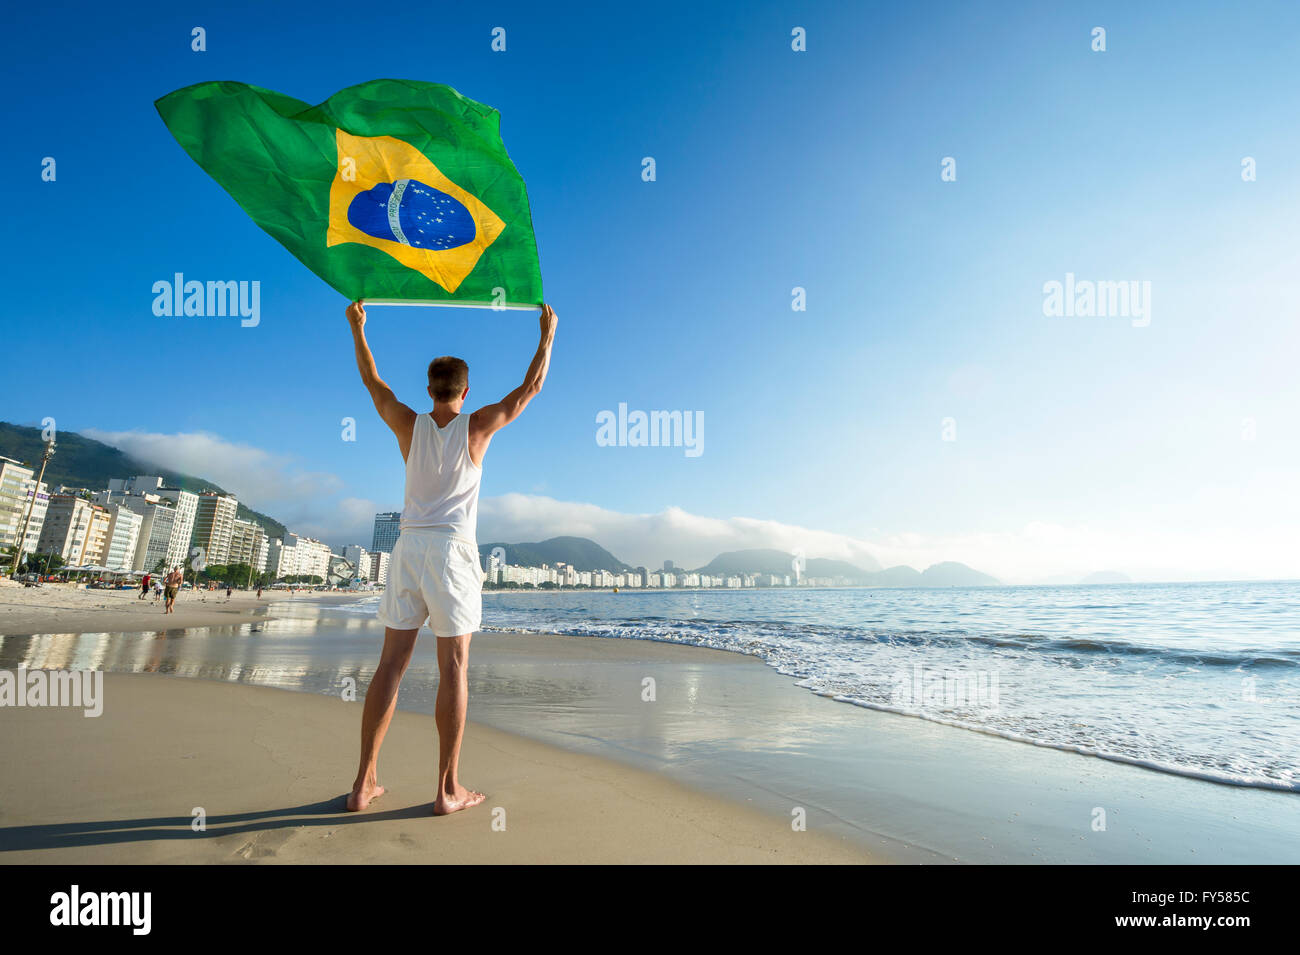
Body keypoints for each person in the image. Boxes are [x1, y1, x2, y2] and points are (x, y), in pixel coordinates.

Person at [344, 298, 557, 815]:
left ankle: (362, 785)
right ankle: (446, 791)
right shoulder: (478, 425)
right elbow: (529, 391)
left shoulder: (407, 424)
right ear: (464, 391)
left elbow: (375, 385)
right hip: (452, 554)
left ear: (429, 390)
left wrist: (358, 328)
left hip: (409, 547)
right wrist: (547, 334)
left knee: (390, 664)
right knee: (454, 665)